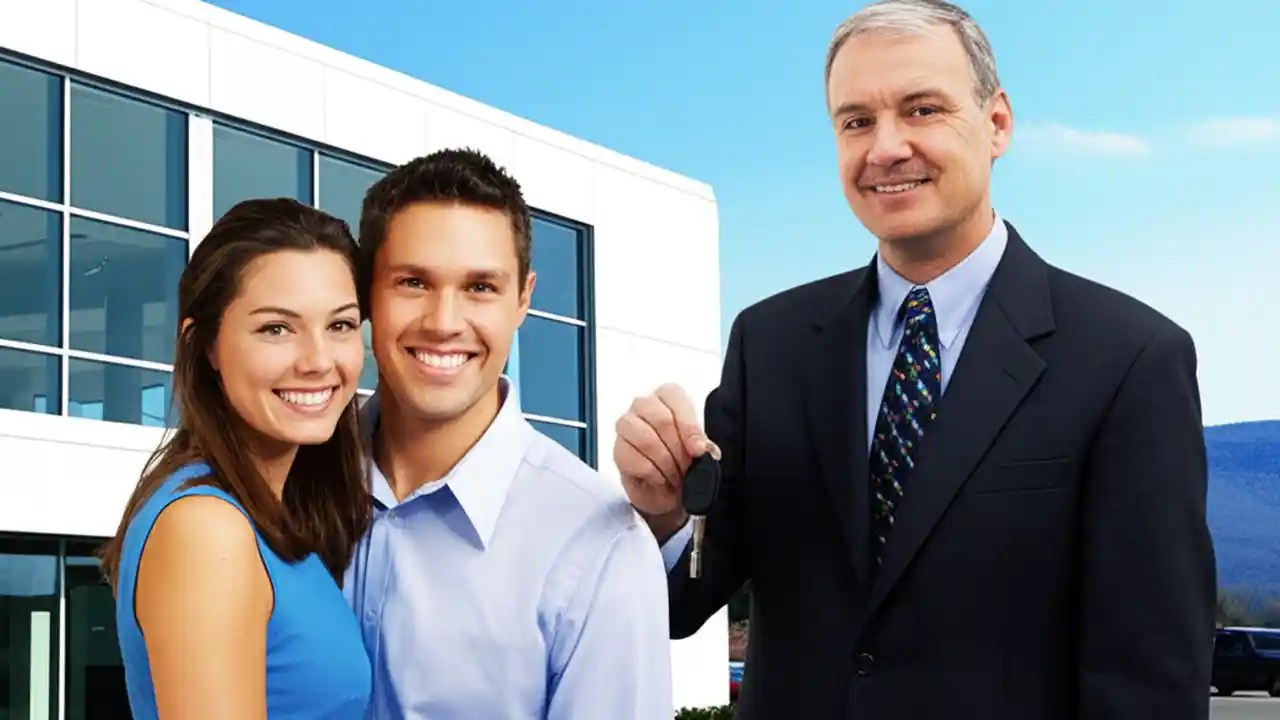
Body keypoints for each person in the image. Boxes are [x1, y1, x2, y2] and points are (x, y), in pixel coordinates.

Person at [613, 1, 1217, 718]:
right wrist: (661, 521)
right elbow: (685, 601)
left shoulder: (1129, 361)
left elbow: (1151, 681)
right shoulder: (769, 345)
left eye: (922, 109)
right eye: (856, 121)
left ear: (997, 123)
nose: (885, 147)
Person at [342, 148, 673, 719]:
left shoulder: (601, 549)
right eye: (413, 282)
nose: (444, 322)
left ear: (523, 298)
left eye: (480, 288)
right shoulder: (287, 480)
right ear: (367, 293)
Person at [99, 198, 373, 719]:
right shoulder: (207, 528)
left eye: (339, 325)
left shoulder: (275, 518)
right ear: (205, 346)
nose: (318, 361)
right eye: (276, 329)